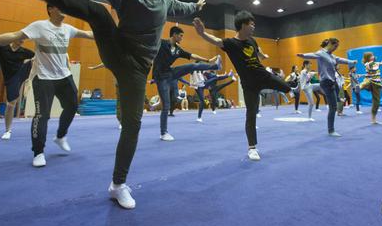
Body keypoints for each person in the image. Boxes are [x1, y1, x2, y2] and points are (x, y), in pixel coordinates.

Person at [12, 0, 205, 209]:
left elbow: (183, 8)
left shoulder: (164, 0)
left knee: (133, 125)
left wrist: (196, 5)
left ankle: (117, 185)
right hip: (117, 51)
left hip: (137, 69)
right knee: (98, 12)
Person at [0, 5, 93, 167]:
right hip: (43, 78)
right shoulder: (39, 26)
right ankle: (38, 152)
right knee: (42, 115)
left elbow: (88, 34)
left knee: (72, 106)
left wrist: (113, 35)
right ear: (51, 9)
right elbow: (12, 35)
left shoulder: (69, 29)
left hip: (64, 77)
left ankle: (60, 136)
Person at [193, 11, 294, 161]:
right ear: (242, 25)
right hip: (249, 84)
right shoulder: (231, 43)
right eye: (251, 24)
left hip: (262, 75)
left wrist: (263, 56)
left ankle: (292, 90)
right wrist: (202, 33)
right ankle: (252, 148)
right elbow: (215, 40)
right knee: (251, 114)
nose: (254, 26)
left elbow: (258, 53)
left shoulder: (252, 41)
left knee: (281, 82)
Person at [152, 25, 221, 140]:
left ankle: (215, 66)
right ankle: (163, 133)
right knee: (166, 106)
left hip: (170, 72)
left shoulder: (178, 50)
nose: (182, 38)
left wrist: (208, 60)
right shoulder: (161, 43)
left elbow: (191, 55)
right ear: (174, 35)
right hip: (161, 77)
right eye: (181, 36)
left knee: (192, 66)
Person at [297, 38, 356, 137]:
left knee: (335, 103)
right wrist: (303, 55)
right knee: (333, 107)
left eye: (337, 47)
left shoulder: (332, 56)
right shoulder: (321, 53)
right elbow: (312, 55)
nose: (336, 48)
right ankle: (331, 130)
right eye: (335, 46)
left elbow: (340, 60)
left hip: (332, 81)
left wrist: (351, 61)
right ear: (329, 44)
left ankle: (338, 99)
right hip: (325, 82)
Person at [361, 52, 382, 125]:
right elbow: (372, 65)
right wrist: (380, 63)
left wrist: (381, 63)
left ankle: (373, 119)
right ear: (367, 58)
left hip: (376, 83)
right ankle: (359, 87)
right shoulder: (368, 64)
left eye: (373, 55)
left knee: (377, 102)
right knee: (366, 82)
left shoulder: (375, 63)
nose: (373, 57)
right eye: (371, 56)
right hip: (370, 80)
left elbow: (378, 63)